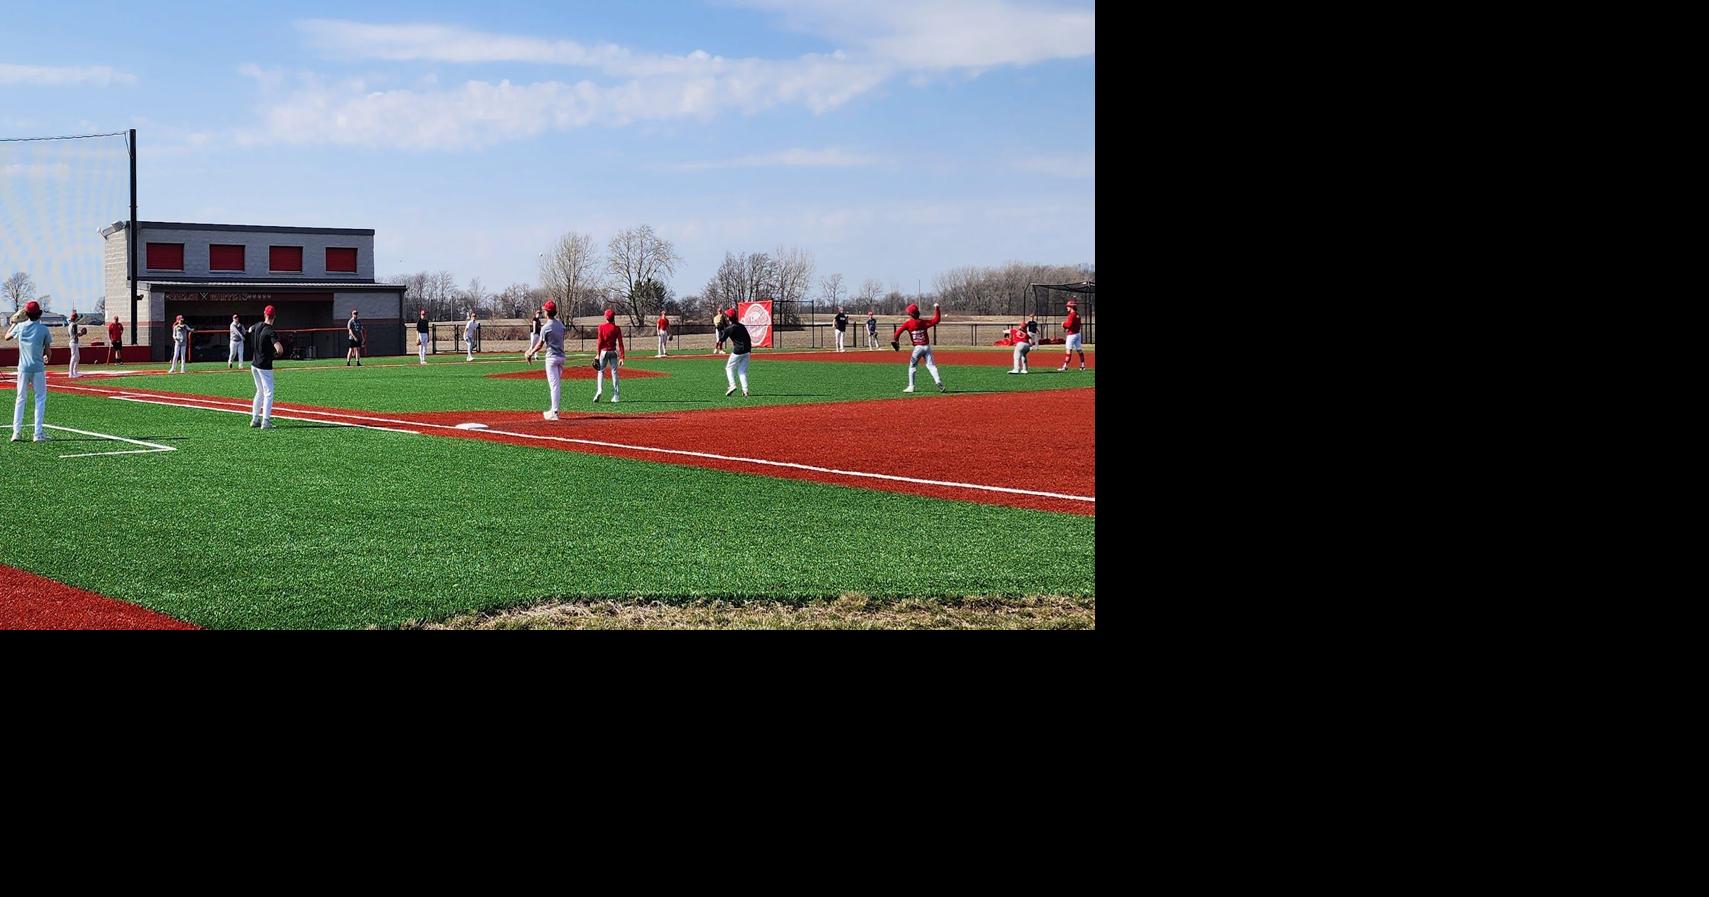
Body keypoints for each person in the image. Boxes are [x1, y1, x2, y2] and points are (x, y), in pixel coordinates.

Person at [6, 301, 52, 442]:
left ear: (26, 314)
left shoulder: (20, 327)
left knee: (20, 399)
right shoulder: (44, 329)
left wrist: (14, 322)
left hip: (23, 369)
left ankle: (16, 433)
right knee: (40, 399)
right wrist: (46, 357)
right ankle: (37, 434)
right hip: (38, 368)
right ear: (39, 314)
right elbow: (48, 352)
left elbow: (7, 336)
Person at [525, 300, 567, 420]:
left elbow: (540, 345)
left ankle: (554, 412)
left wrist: (530, 352)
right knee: (556, 385)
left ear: (547, 312)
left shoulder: (546, 327)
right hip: (561, 357)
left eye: (544, 310)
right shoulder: (561, 325)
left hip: (552, 358)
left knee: (554, 385)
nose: (543, 311)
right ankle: (554, 410)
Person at [890, 302, 945, 393]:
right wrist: (937, 308)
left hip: (917, 348)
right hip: (927, 347)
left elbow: (897, 334)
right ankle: (938, 380)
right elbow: (937, 320)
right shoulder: (923, 322)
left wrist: (896, 341)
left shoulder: (908, 324)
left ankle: (911, 386)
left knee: (912, 366)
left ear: (910, 314)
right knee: (931, 366)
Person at [248, 305, 281, 429]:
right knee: (269, 393)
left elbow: (249, 330)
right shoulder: (271, 331)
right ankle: (265, 421)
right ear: (275, 317)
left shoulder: (257, 326)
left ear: (264, 314)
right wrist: (276, 354)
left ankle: (255, 419)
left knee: (260, 391)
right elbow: (279, 349)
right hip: (264, 365)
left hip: (254, 364)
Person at [717, 306, 752, 397]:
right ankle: (745, 390)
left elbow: (721, 339)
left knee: (729, 368)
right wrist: (749, 351)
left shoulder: (730, 328)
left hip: (738, 351)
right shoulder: (741, 326)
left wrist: (720, 329)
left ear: (729, 318)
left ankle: (732, 385)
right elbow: (748, 338)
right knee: (742, 371)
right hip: (747, 351)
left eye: (727, 316)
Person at [593, 308, 625, 403]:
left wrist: (598, 354)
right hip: (613, 352)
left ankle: (599, 390)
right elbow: (620, 343)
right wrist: (622, 357)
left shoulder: (601, 327)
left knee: (601, 372)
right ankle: (616, 395)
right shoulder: (616, 328)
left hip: (603, 352)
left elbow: (599, 342)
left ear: (606, 317)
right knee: (614, 373)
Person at [1059, 298, 1086, 371]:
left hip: (1071, 335)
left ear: (1071, 307)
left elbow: (1068, 325)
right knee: (1079, 350)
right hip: (1077, 334)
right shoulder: (1077, 314)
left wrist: (1063, 324)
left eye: (1068, 306)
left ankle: (1065, 367)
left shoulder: (1072, 314)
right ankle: (1083, 365)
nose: (1067, 307)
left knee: (1068, 351)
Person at [67, 310, 83, 378]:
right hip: (74, 342)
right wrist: (81, 333)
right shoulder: (74, 325)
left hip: (72, 341)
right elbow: (76, 334)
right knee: (74, 357)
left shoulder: (69, 325)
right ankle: (71, 373)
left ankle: (74, 372)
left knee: (77, 357)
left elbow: (69, 335)